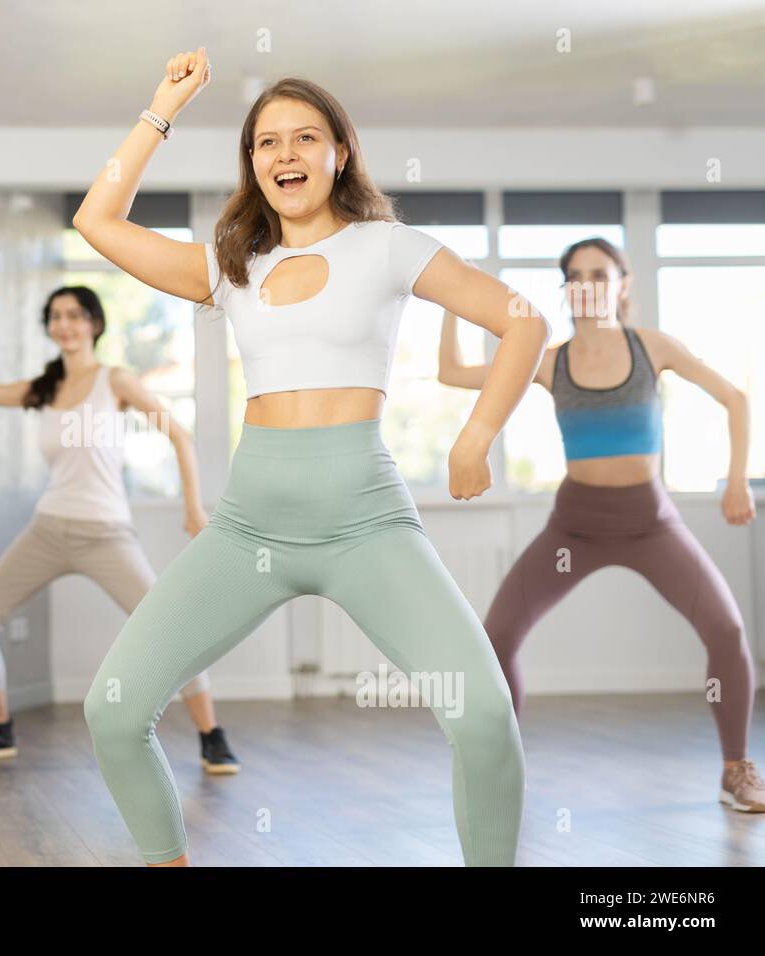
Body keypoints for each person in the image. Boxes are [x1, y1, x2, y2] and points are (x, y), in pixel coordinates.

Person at [73, 49, 551, 866]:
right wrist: (162, 108)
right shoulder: (231, 267)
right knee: (112, 710)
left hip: (364, 519)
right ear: (251, 163)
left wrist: (475, 437)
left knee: (480, 714)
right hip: (249, 524)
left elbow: (524, 321)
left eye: (305, 138)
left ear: (341, 154)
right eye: (266, 143)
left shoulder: (389, 247)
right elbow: (97, 222)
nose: (285, 155)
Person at [439, 236, 763, 812]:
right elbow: (452, 373)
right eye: (576, 276)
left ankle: (736, 769)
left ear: (622, 285)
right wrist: (452, 299)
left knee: (729, 632)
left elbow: (736, 399)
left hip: (651, 524)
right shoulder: (547, 360)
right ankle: (502, 770)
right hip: (575, 529)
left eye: (600, 274)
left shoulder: (651, 347)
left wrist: (736, 479)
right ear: (566, 289)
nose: (588, 286)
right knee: (498, 638)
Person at [0, 287, 239, 773]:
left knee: (168, 629)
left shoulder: (116, 381)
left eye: (76, 315)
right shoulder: (43, 387)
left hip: (106, 534)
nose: (65, 324)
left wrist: (194, 508)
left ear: (95, 324)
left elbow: (179, 435)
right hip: (46, 530)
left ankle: (212, 736)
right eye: (56, 316)